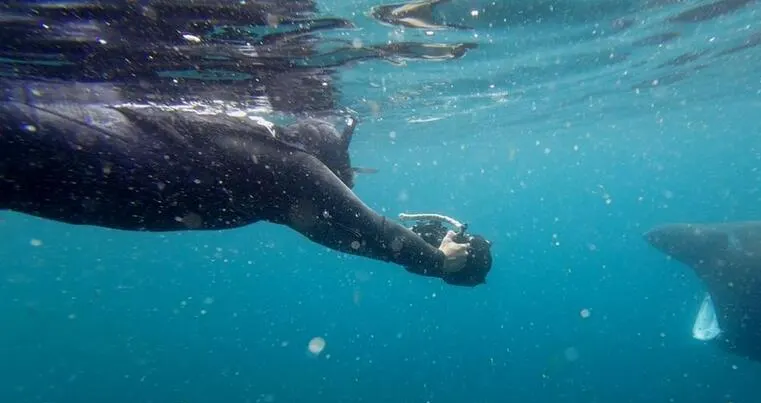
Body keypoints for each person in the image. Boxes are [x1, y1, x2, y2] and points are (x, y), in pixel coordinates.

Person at [0, 100, 492, 286]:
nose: (345, 185)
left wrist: (426, 257)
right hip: (70, 156)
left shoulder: (280, 192)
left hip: (62, 168)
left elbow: (349, 237)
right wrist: (434, 261)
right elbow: (370, 229)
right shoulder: (286, 165)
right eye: (343, 174)